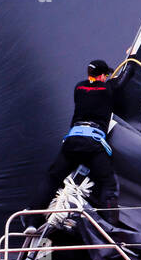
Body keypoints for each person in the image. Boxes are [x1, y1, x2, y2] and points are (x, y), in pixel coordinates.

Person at [39, 59, 125, 217]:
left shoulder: (79, 88)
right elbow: (125, 76)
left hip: (72, 142)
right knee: (108, 183)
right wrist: (131, 58)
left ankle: (31, 218)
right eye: (105, 75)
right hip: (92, 143)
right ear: (101, 76)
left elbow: (92, 88)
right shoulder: (107, 88)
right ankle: (111, 224)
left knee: (53, 178)